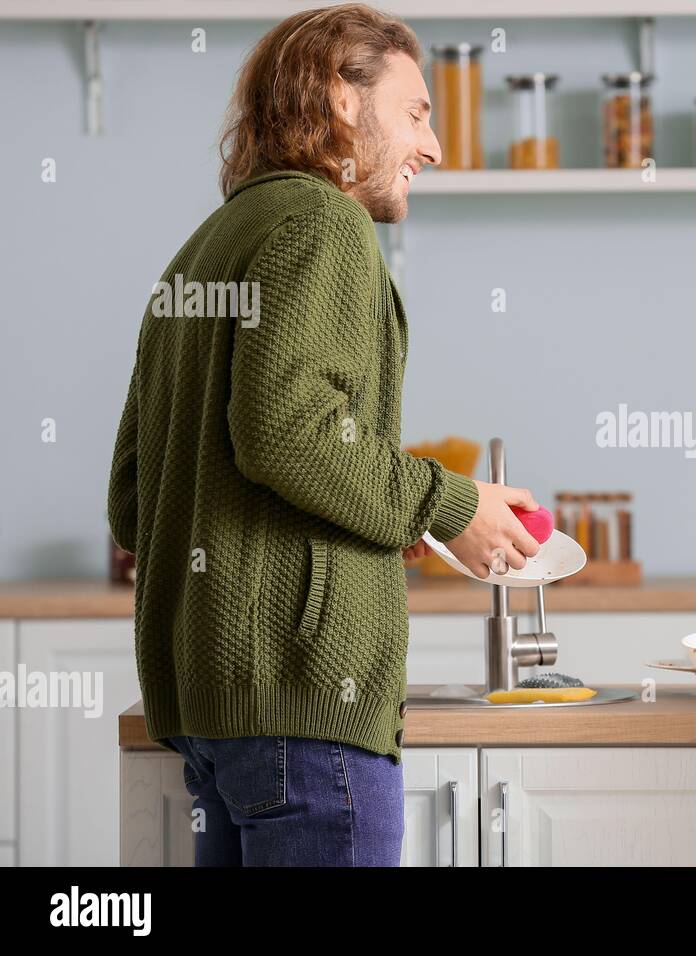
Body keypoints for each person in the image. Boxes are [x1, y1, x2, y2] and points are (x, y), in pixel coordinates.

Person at [105, 4, 539, 866]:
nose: (434, 147)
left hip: (213, 723)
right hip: (308, 718)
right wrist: (448, 505)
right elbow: (287, 432)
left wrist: (369, 522)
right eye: (417, 113)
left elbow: (135, 501)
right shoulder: (323, 223)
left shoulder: (201, 251)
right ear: (343, 97)